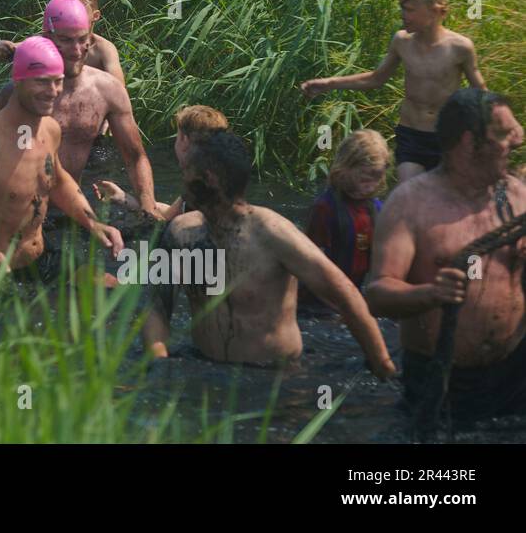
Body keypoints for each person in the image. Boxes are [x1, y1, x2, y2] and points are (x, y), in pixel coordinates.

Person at [142, 130, 395, 376]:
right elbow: (155, 306)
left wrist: (382, 365)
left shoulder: (275, 235)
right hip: (203, 370)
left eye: (186, 171)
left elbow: (345, 295)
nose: (182, 180)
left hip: (274, 380)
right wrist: (157, 362)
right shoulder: (179, 233)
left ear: (209, 179)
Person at [366, 89, 526, 424]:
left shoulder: (517, 196)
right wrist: (429, 294)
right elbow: (378, 294)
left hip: (515, 371)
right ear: (470, 143)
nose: (518, 139)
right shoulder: (410, 204)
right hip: (441, 380)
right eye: (504, 133)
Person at [0, 36, 124, 278]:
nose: (53, 92)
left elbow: (58, 181)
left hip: (42, 258)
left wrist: (93, 223)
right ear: (18, 81)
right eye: (42, 82)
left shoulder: (50, 129)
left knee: (119, 296)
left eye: (58, 82)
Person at [301, 0, 485, 182]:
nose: (403, 15)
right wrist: (328, 83)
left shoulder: (460, 47)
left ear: (434, 10)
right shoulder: (402, 41)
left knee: (443, 202)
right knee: (409, 193)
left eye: (409, 10)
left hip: (447, 138)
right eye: (402, 8)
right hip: (411, 135)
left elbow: (480, 93)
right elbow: (375, 79)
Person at [0, 0, 158, 215]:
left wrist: (148, 210)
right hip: (20, 213)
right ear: (47, 38)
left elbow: (135, 157)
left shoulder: (108, 91)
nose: (77, 50)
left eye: (82, 39)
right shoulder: (17, 95)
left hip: (74, 208)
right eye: (67, 41)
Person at [97, 105, 228, 220]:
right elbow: (168, 214)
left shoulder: (199, 188)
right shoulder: (210, 179)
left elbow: (161, 222)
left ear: (184, 140)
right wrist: (122, 197)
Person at [0, 0, 124, 84]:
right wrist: (4, 47)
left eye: (78, 9)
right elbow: (21, 46)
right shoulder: (53, 39)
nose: (70, 14)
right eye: (65, 9)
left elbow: (118, 86)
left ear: (95, 16)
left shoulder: (103, 48)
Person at [305, 129, 389, 295]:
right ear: (344, 169)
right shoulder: (325, 208)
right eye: (364, 179)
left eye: (376, 179)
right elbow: (307, 259)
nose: (370, 187)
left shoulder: (376, 209)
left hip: (355, 290)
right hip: (319, 298)